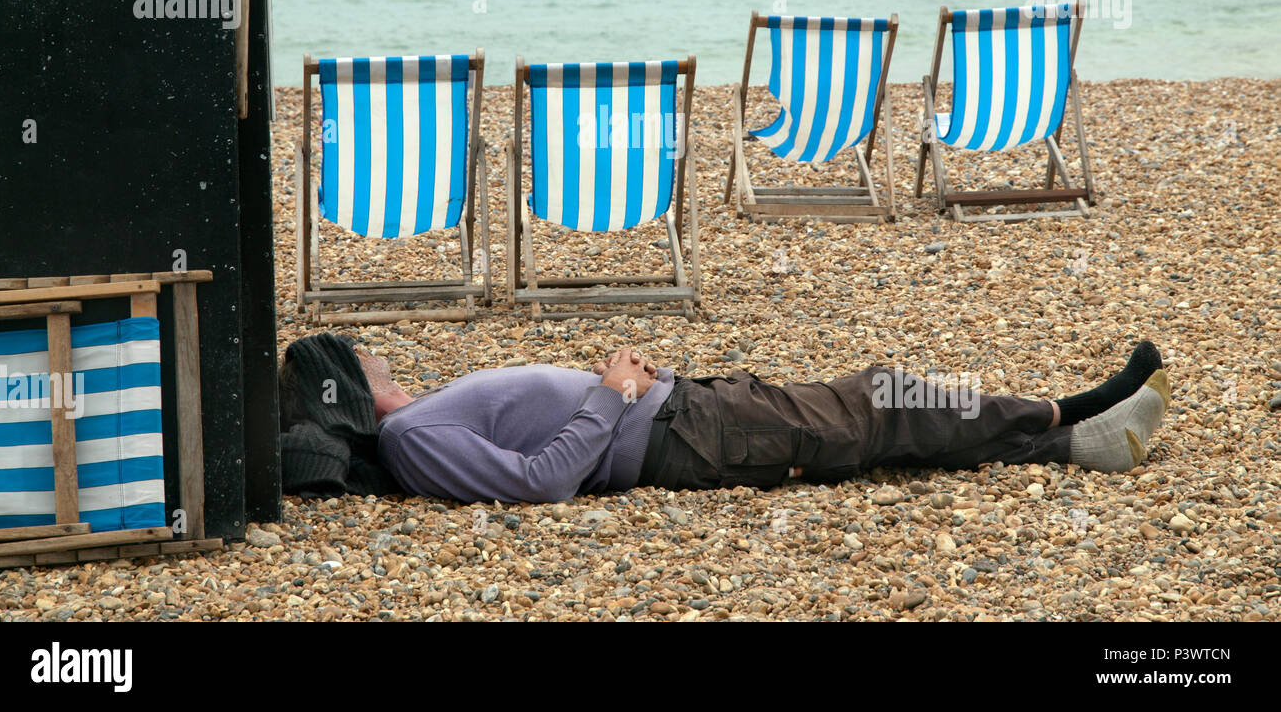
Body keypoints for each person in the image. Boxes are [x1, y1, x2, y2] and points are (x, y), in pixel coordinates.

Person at [365, 339, 1169, 504]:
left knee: (876, 427)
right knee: (882, 399)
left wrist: (628, 380)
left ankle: (1067, 445)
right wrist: (613, 390)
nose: (370, 352)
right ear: (346, 389)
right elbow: (540, 483)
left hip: (691, 412)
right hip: (690, 433)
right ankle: (1071, 408)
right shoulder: (407, 438)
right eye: (354, 357)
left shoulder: (414, 419)